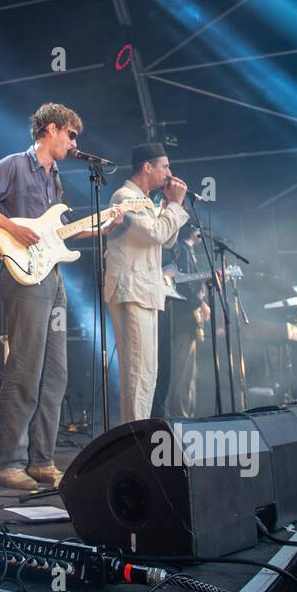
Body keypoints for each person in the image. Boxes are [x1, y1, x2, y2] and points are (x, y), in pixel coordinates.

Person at [0, 104, 122, 488]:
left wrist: (100, 228)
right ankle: (5, 463)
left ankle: (41, 460)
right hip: (24, 277)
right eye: (70, 135)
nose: (74, 143)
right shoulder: (16, 164)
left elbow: (58, 233)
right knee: (25, 369)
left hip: (53, 278)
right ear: (50, 130)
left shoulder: (56, 181)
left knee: (56, 373)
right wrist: (11, 228)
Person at [104, 143, 189, 425]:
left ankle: (137, 434)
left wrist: (168, 207)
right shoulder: (124, 196)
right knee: (137, 371)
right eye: (165, 166)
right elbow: (155, 234)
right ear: (147, 167)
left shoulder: (146, 202)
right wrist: (174, 206)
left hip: (147, 292)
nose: (169, 173)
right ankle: (132, 440)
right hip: (131, 291)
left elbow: (167, 240)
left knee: (149, 371)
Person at [155, 223, 209, 420]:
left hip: (183, 318)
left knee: (186, 372)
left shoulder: (187, 250)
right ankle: (181, 418)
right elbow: (183, 284)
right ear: (193, 232)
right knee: (183, 372)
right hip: (182, 318)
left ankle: (183, 416)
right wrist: (200, 302)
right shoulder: (182, 248)